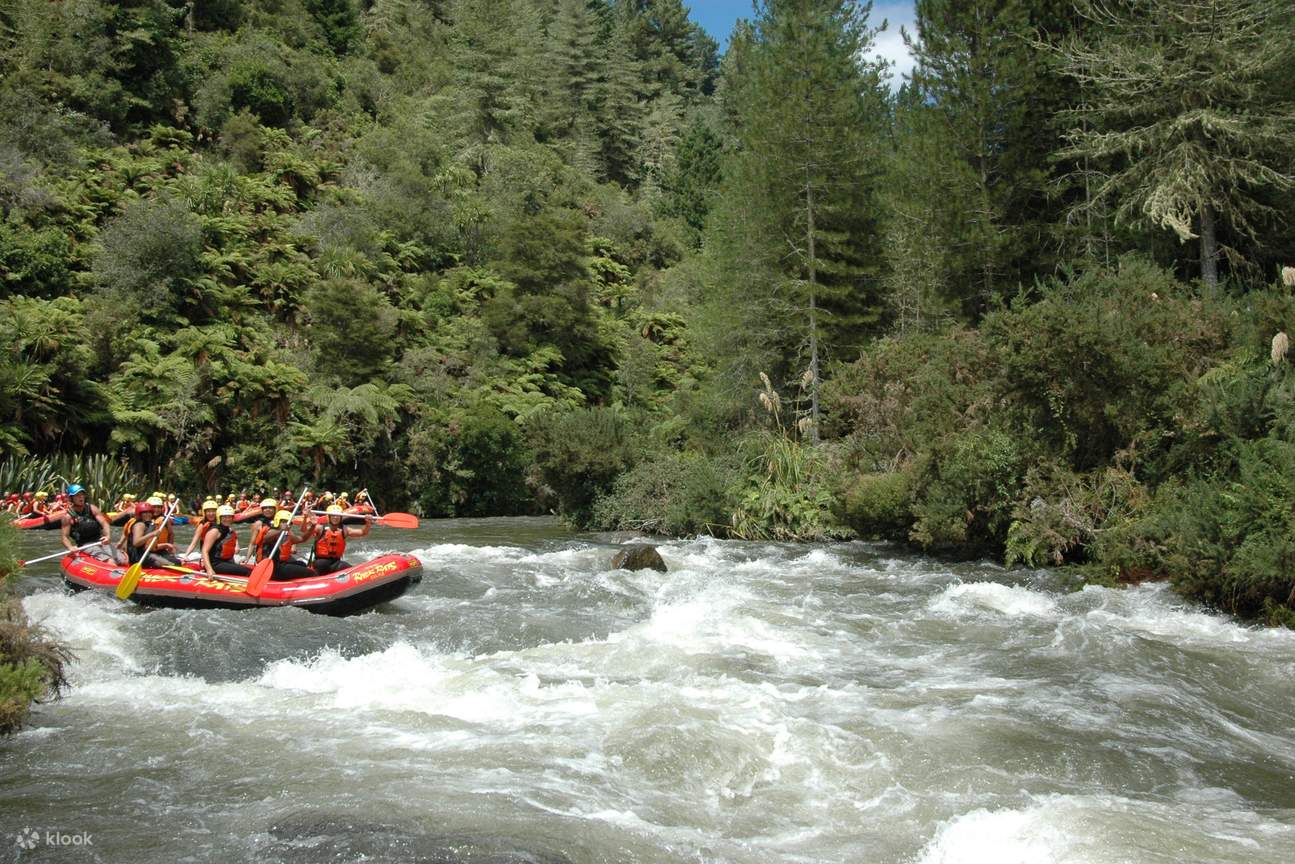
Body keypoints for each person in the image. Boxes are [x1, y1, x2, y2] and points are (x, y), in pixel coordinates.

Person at [253, 510, 317, 580]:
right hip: (271, 568)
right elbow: (265, 539)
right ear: (277, 521)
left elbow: (302, 539)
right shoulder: (271, 530)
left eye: (289, 522)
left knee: (302, 564)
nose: (287, 524)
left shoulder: (287, 533)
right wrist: (280, 530)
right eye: (283, 521)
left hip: (281, 564)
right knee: (312, 573)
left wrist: (313, 526)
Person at [58, 484, 114, 560]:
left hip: (100, 541)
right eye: (77, 495)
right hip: (85, 545)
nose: (81, 497)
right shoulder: (68, 517)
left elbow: (104, 524)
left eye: (82, 495)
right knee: (109, 560)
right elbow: (64, 537)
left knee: (123, 560)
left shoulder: (92, 508)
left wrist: (107, 536)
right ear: (71, 498)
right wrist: (70, 547)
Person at [311, 504, 370, 575]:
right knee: (322, 564)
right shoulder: (319, 528)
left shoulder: (345, 530)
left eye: (338, 516)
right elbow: (303, 530)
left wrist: (368, 523)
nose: (335, 517)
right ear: (328, 516)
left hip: (336, 562)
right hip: (320, 561)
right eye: (333, 515)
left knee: (350, 570)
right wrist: (307, 520)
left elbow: (363, 532)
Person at [124, 496, 181, 567]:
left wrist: (167, 546)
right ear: (140, 513)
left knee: (176, 562)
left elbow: (170, 534)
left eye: (149, 512)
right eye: (145, 512)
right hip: (139, 555)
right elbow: (135, 542)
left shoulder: (152, 523)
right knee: (169, 563)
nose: (148, 514)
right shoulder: (139, 524)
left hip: (151, 551)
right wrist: (153, 534)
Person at [202, 505, 251, 579]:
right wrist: (209, 570)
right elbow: (204, 551)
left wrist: (237, 545)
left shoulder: (228, 529)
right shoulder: (214, 531)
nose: (227, 519)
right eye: (224, 517)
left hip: (226, 562)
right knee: (248, 572)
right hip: (215, 564)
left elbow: (233, 537)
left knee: (248, 570)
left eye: (229, 517)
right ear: (219, 517)